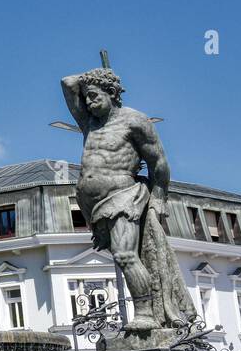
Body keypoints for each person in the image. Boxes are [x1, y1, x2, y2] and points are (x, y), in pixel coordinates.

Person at [60, 67, 195, 331]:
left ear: (111, 93)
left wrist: (158, 198)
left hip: (125, 196)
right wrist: (92, 80)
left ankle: (145, 314)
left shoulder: (134, 121)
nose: (88, 102)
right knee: (133, 258)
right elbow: (67, 83)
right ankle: (149, 308)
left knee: (125, 255)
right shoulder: (89, 123)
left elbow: (159, 162)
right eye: (86, 97)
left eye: (94, 96)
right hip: (94, 206)